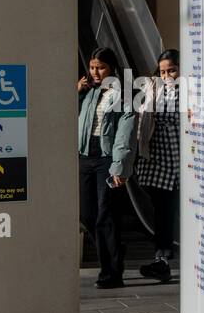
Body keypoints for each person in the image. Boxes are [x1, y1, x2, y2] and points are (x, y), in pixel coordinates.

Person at [77, 47, 136, 288]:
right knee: (86, 214)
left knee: (105, 215)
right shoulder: (89, 92)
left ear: (111, 67)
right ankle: (115, 249)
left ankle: (111, 273)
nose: (95, 72)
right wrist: (77, 92)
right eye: (92, 67)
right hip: (84, 158)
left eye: (100, 67)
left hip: (106, 161)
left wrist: (118, 167)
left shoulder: (123, 95)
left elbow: (126, 133)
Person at [135, 49, 180, 283]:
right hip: (155, 161)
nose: (167, 75)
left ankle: (163, 259)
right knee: (162, 212)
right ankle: (161, 259)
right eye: (163, 71)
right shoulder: (154, 89)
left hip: (179, 163)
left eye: (171, 70)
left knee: (167, 212)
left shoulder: (190, 92)